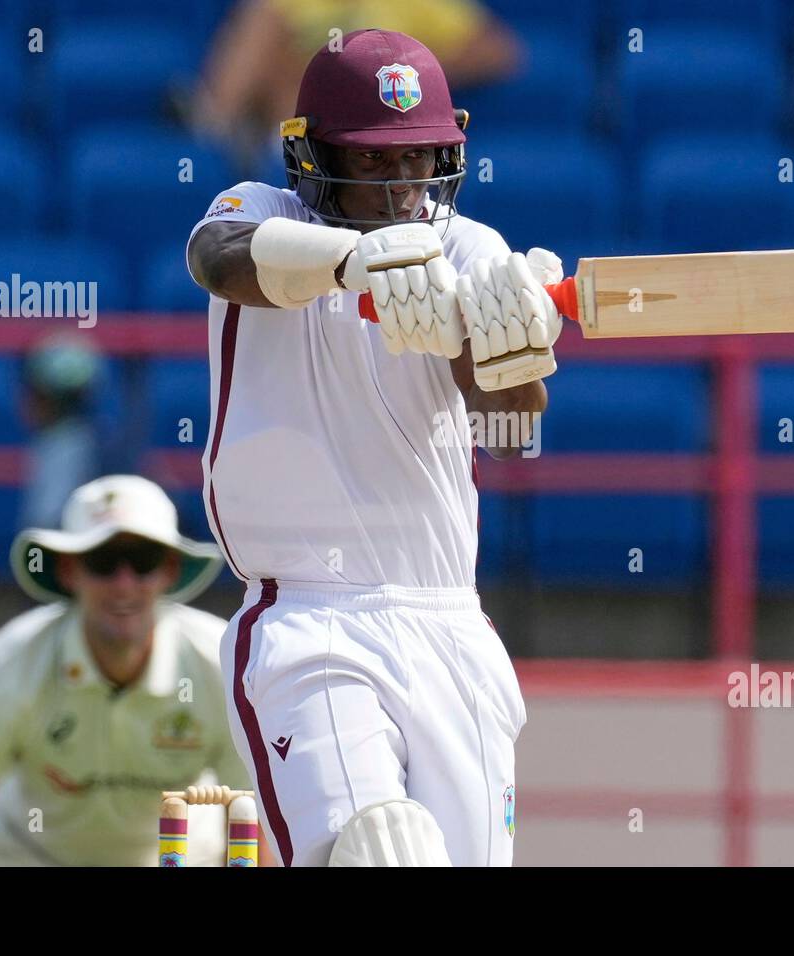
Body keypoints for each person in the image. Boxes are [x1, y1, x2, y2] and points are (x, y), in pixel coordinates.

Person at [186, 29, 560, 866]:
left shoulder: (469, 247)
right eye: (373, 161)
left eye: (417, 158)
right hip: (311, 619)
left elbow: (512, 430)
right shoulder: (264, 213)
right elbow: (216, 259)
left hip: (449, 622)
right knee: (379, 851)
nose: (400, 186)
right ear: (315, 155)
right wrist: (358, 264)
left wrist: (509, 339)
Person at [0, 475, 256, 866]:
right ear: (69, 570)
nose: (124, 584)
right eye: (102, 561)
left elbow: (257, 826)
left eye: (143, 560)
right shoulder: (10, 661)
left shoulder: (222, 662)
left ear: (169, 570)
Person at [190, 0, 519, 165]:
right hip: (306, 108)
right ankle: (212, 134)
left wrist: (406, 67)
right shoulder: (281, 8)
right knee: (289, 75)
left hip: (391, 113)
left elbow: (498, 51)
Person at [19, 334, 105, 529]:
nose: (27, 399)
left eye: (36, 392)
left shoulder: (69, 448)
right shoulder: (58, 443)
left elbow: (46, 530)